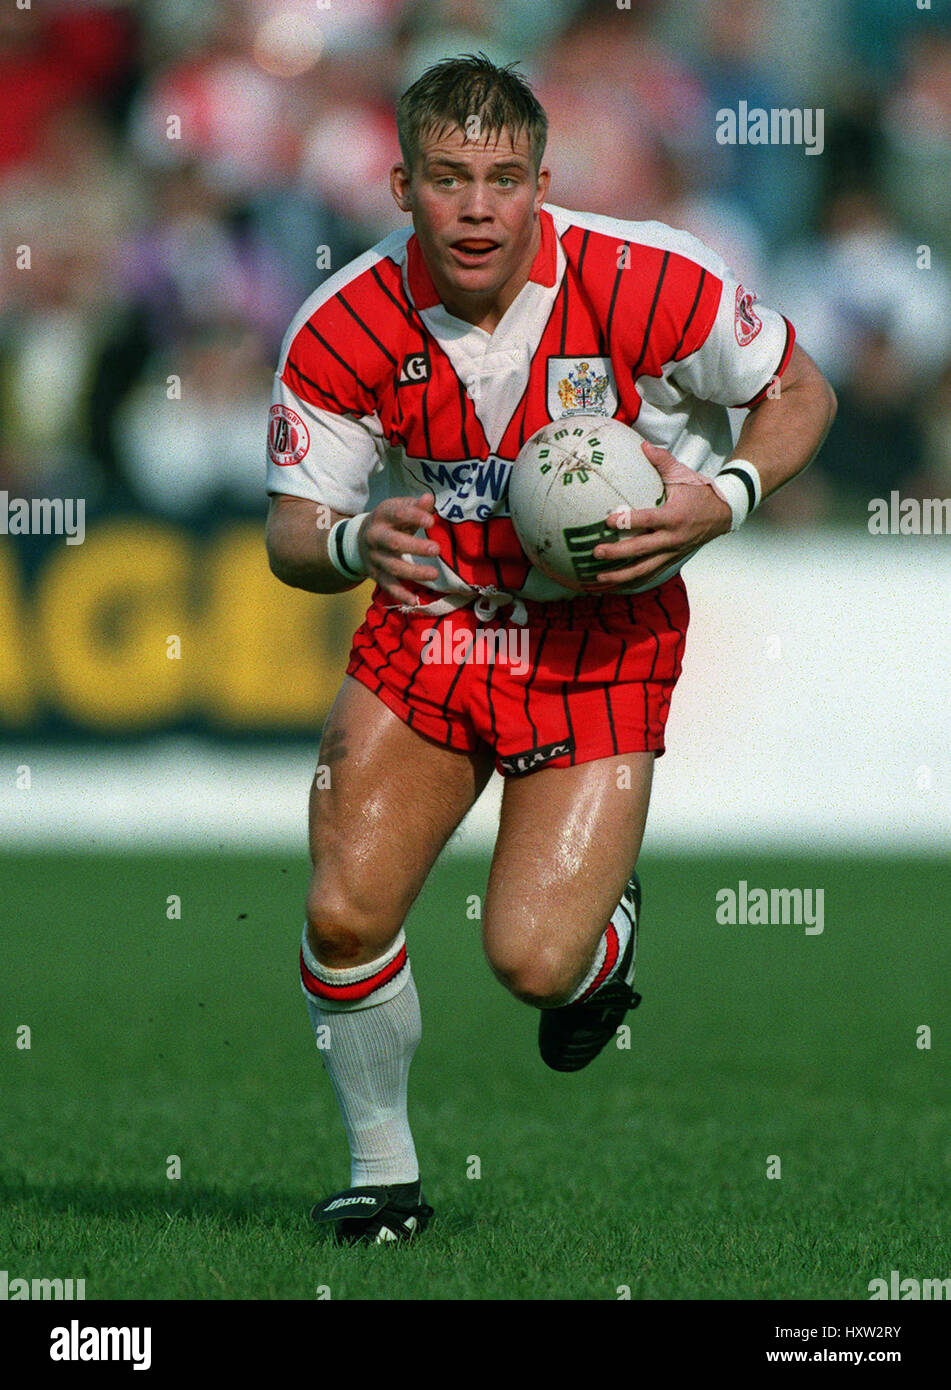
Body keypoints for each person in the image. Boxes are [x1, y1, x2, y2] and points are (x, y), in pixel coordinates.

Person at [265, 54, 836, 1245]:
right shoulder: (343, 322)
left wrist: (724, 494)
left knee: (533, 961)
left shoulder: (648, 273)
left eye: (504, 179)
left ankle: (598, 935)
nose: (477, 208)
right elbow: (290, 531)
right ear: (400, 185)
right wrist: (360, 534)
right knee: (343, 913)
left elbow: (799, 392)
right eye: (448, 179)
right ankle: (383, 1182)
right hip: (434, 625)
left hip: (602, 636)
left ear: (542, 182)